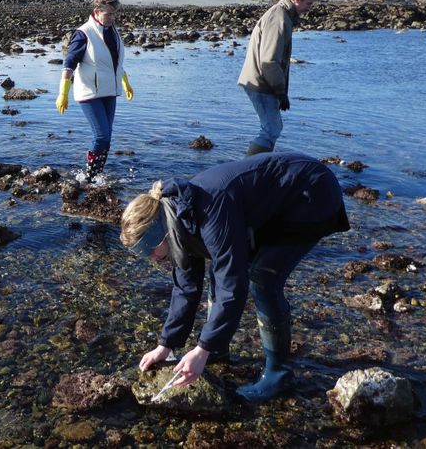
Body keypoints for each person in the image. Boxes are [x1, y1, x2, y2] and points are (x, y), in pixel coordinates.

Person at [121, 152, 349, 403]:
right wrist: (166, 345)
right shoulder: (177, 221)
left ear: (160, 233)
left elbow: (233, 284)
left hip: (311, 193)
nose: (151, 259)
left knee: (262, 279)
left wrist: (201, 348)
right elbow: (186, 288)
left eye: (148, 250)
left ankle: (278, 374)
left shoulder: (210, 213)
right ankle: (216, 349)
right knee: (222, 270)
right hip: (272, 203)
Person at [56, 0, 133, 180]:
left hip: (109, 91)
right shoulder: (84, 34)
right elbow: (69, 63)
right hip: (89, 93)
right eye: (108, 14)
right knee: (101, 136)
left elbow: (114, 63)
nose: (112, 18)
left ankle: (98, 175)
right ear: (96, 12)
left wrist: (125, 81)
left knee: (107, 138)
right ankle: (90, 176)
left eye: (114, 14)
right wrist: (63, 92)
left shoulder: (113, 32)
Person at [238, 0, 317, 156]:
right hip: (260, 82)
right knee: (271, 130)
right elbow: (269, 60)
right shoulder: (279, 18)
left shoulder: (284, 16)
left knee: (273, 128)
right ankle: (248, 172)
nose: (310, 8)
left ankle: (253, 170)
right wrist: (280, 92)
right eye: (308, 3)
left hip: (261, 80)